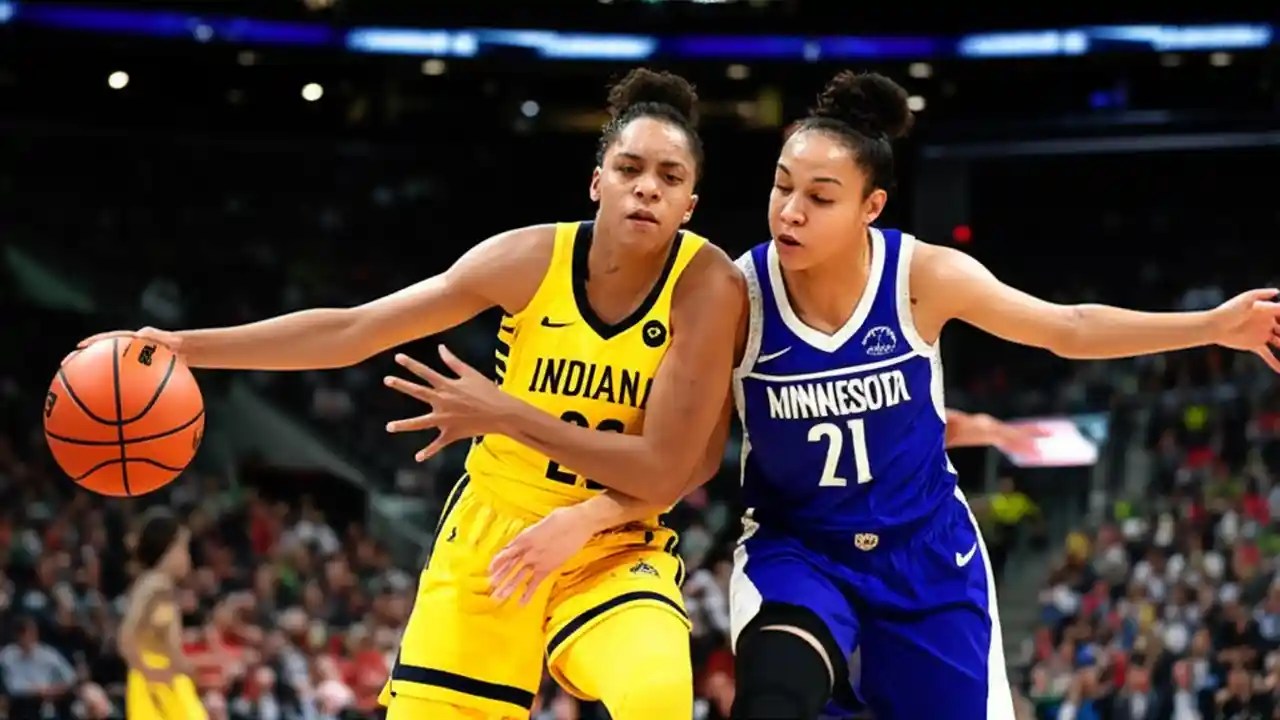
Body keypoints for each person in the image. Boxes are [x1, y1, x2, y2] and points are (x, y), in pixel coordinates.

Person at [386, 71, 1280, 720]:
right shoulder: (731, 293)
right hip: (796, 551)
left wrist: (1209, 327)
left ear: (871, 207)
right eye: (780, 188)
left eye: (819, 196)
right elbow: (690, 454)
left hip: (924, 553)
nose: (790, 212)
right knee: (773, 696)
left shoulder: (924, 278)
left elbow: (1066, 327)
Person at [82, 67, 740, 720]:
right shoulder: (527, 261)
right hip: (492, 535)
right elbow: (354, 328)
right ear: (597, 182)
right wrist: (188, 347)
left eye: (670, 177)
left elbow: (667, 466)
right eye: (629, 169)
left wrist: (508, 416)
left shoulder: (707, 284)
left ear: (690, 205)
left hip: (615, 535)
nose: (647, 188)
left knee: (656, 693)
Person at [119, 507, 205, 720]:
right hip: (157, 684)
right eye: (184, 549)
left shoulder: (161, 585)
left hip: (168, 680)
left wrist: (185, 665)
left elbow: (163, 642)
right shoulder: (155, 585)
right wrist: (148, 672)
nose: (188, 558)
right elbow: (125, 639)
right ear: (169, 548)